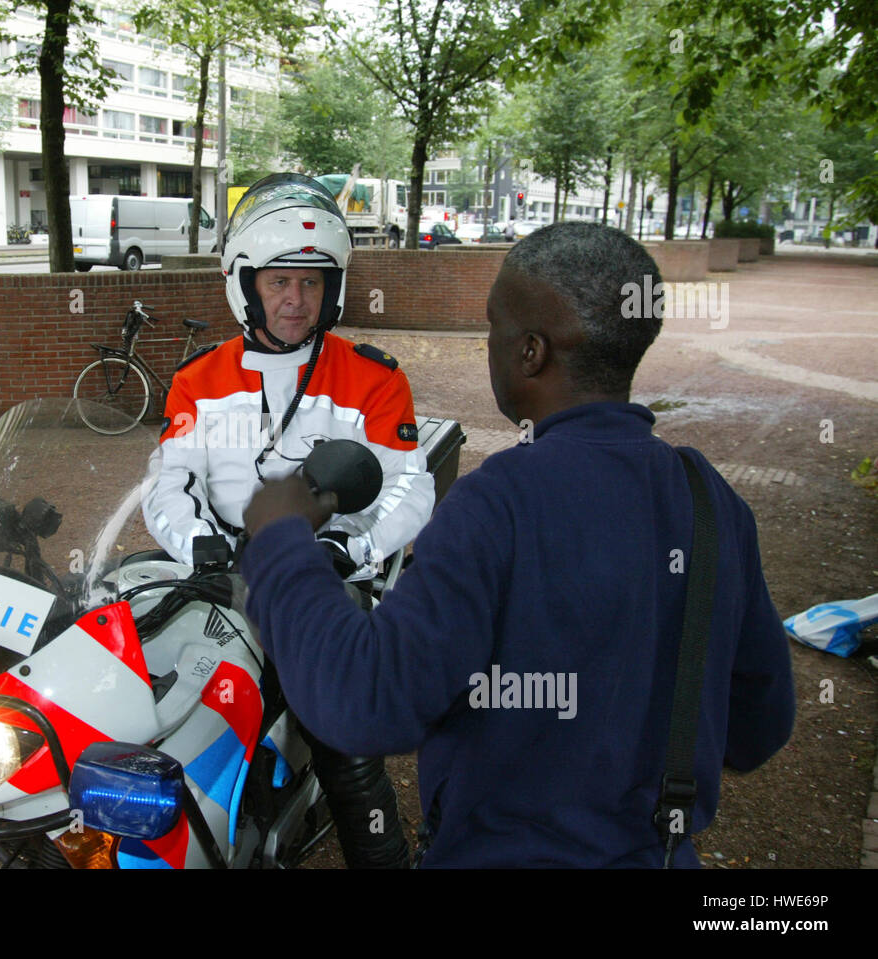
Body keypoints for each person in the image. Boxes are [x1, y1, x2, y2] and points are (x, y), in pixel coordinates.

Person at [239, 221, 796, 868]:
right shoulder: (711, 501)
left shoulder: (497, 503)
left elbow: (367, 701)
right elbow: (759, 728)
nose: (489, 345)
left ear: (530, 352)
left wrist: (281, 542)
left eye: (492, 328)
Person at [141, 173, 436, 868]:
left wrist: (350, 546)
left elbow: (409, 487)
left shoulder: (373, 376)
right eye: (278, 281)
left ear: (330, 288)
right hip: (217, 570)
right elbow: (166, 484)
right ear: (245, 284)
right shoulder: (198, 378)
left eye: (309, 282)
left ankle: (379, 851)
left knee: (334, 702)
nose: (295, 300)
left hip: (324, 571)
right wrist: (196, 542)